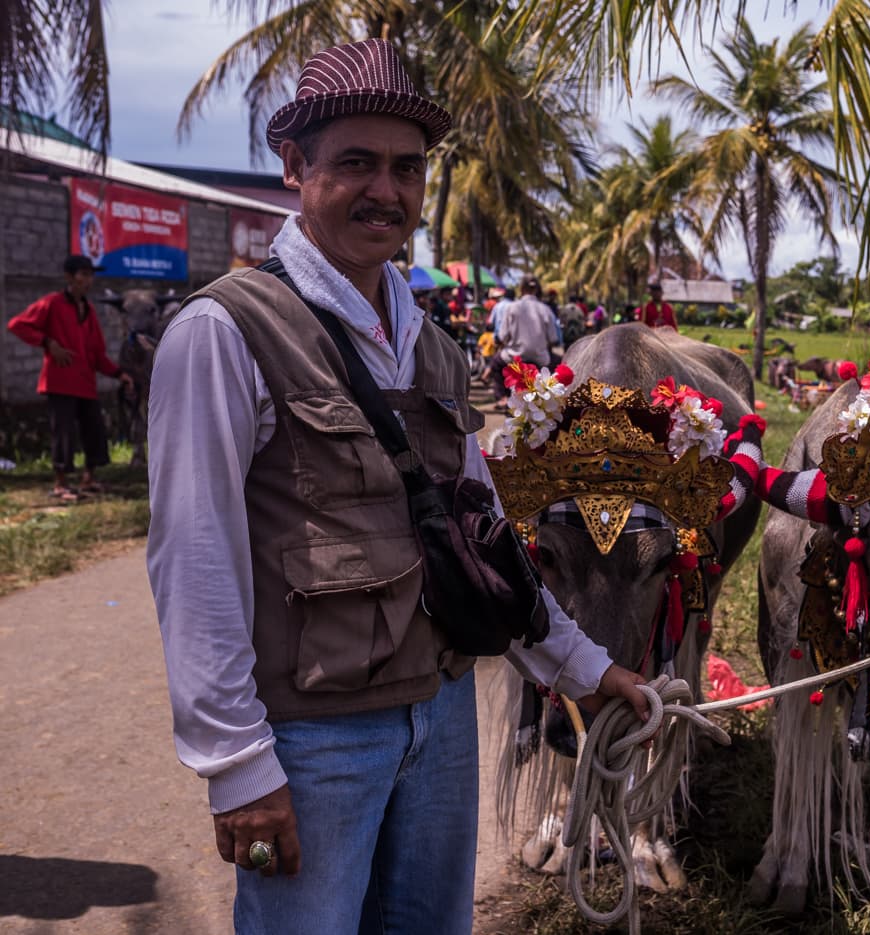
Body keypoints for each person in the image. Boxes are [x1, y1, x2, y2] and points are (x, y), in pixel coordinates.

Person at [144, 38, 648, 935]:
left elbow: (482, 534)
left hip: (442, 716)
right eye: (357, 163)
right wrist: (237, 768)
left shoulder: (434, 347)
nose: (388, 190)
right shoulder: (224, 331)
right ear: (294, 165)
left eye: (407, 168)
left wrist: (584, 668)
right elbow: (195, 562)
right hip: (313, 741)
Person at [7, 254, 133, 501]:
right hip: (60, 382)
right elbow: (17, 324)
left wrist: (120, 374)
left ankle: (89, 479)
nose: (88, 280)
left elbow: (97, 354)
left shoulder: (90, 311)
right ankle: (61, 483)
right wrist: (48, 342)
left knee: (94, 430)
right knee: (63, 434)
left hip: (85, 383)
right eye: (83, 275)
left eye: (90, 275)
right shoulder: (52, 303)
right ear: (69, 277)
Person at [489, 275, 558, 409]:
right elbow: (553, 339)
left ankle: (502, 398)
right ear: (537, 289)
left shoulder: (512, 307)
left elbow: (502, 336)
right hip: (540, 359)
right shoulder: (545, 309)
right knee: (560, 367)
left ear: (521, 289)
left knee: (495, 364)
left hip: (514, 358)